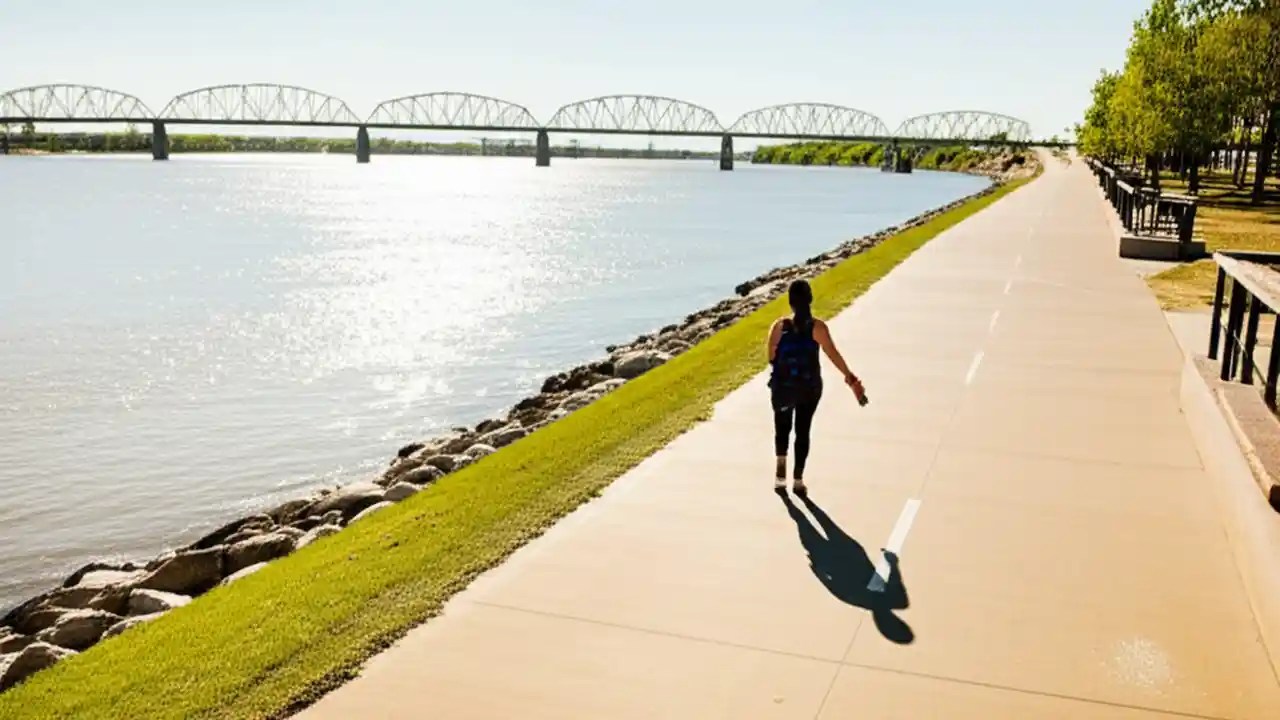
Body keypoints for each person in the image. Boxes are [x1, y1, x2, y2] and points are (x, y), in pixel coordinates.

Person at [767, 279, 866, 494]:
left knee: (782, 429)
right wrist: (851, 379)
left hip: (783, 389)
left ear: (790, 302)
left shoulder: (779, 327)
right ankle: (798, 480)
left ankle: (780, 474)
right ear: (810, 300)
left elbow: (770, 357)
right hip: (809, 388)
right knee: (803, 431)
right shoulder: (817, 327)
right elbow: (833, 355)